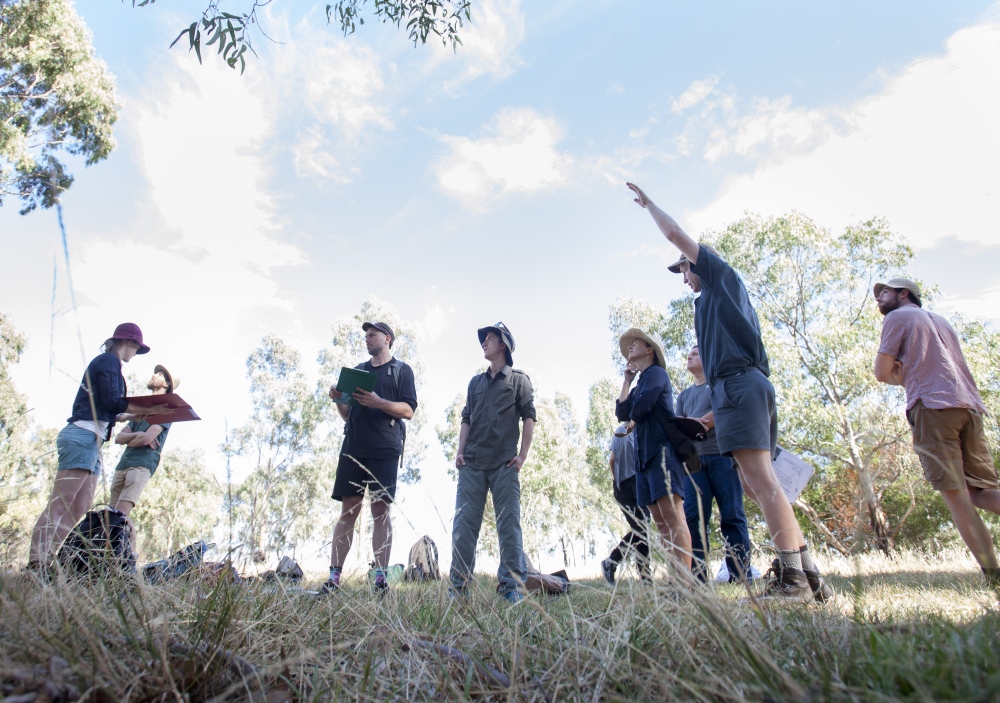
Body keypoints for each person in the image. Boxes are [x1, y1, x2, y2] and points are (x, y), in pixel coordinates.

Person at [627, 181, 832, 602]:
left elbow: (673, 234)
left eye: (684, 268)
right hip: (736, 390)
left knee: (760, 482)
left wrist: (649, 205)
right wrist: (711, 415)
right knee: (758, 485)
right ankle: (807, 571)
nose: (683, 278)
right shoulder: (709, 305)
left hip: (740, 384)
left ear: (697, 263)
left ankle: (793, 580)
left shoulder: (719, 276)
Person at [873, 277, 1000, 593]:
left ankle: (994, 579)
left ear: (905, 294)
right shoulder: (942, 322)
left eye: (884, 292)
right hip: (968, 407)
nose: (879, 299)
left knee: (957, 498)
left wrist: (902, 372)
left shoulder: (898, 317)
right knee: (980, 492)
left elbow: (881, 372)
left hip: (932, 408)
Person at [27, 323, 171, 571]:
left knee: (80, 507)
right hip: (82, 435)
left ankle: (50, 561)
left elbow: (107, 408)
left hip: (93, 440)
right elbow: (113, 401)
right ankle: (35, 563)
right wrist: (149, 410)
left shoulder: (111, 365)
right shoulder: (108, 362)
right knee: (61, 502)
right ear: (129, 343)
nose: (135, 354)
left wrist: (128, 418)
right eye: (136, 348)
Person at [324, 321, 417, 595]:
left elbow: (408, 410)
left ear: (387, 339)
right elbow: (349, 415)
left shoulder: (401, 371)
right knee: (348, 510)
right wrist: (340, 399)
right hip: (354, 447)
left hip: (385, 449)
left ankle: (380, 579)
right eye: (365, 336)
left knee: (380, 510)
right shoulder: (359, 371)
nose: (367, 339)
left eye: (372, 335)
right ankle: (333, 578)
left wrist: (379, 402)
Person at [450, 322, 536, 604]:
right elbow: (466, 418)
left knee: (509, 525)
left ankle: (511, 587)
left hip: (504, 465)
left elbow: (529, 417)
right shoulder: (475, 383)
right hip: (472, 465)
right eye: (483, 339)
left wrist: (521, 456)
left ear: (504, 345)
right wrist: (460, 452)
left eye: (489, 339)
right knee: (464, 526)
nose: (483, 343)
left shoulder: (518, 380)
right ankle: (458, 589)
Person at [615, 328, 693, 572]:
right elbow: (622, 412)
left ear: (649, 349)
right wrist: (627, 381)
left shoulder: (657, 374)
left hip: (662, 453)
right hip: (643, 459)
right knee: (659, 520)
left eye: (635, 342)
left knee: (673, 515)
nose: (630, 346)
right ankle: (674, 577)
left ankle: (685, 583)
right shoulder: (638, 383)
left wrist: (631, 421)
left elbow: (642, 407)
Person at [675, 345, 753, 583]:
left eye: (696, 353)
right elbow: (678, 425)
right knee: (693, 518)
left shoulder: (719, 385)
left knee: (732, 514)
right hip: (693, 463)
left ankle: (741, 575)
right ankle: (698, 577)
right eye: (688, 354)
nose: (690, 356)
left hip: (722, 456)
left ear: (707, 358)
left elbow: (724, 411)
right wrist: (694, 424)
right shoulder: (684, 396)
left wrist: (703, 422)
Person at [110, 365, 178, 518]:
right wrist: (139, 434)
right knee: (111, 516)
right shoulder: (141, 410)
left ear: (166, 384)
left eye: (159, 374)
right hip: (123, 465)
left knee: (120, 515)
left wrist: (139, 437)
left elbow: (146, 439)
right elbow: (119, 438)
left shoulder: (167, 411)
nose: (153, 375)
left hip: (141, 464)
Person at [600, 423, 652, 585]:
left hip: (621, 487)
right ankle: (612, 561)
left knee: (641, 529)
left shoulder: (619, 431)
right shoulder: (641, 430)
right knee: (643, 528)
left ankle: (645, 578)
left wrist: (616, 480)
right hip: (635, 483)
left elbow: (612, 459)